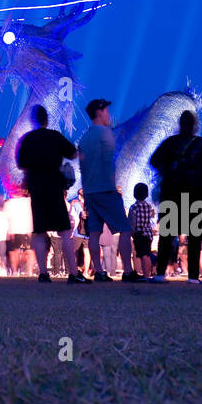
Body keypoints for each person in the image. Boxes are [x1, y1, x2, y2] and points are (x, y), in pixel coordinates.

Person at [149, 108, 202, 284]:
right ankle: (193, 277)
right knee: (195, 235)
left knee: (167, 235)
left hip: (171, 191)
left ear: (179, 124)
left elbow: (154, 161)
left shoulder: (169, 143)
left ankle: (160, 273)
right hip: (197, 192)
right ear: (195, 125)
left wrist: (168, 169)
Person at [16, 104, 86, 284]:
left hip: (36, 187)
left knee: (39, 231)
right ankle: (73, 273)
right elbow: (73, 154)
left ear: (32, 120)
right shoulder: (55, 136)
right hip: (55, 185)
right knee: (64, 231)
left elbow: (21, 164)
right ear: (47, 119)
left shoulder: (27, 139)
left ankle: (43, 273)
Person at [78, 99, 139, 282]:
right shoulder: (106, 134)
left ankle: (99, 272)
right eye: (107, 111)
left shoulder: (85, 137)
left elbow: (82, 164)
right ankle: (128, 271)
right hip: (105, 188)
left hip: (89, 191)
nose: (109, 115)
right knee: (125, 228)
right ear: (100, 112)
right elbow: (110, 161)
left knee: (94, 232)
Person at [128, 183, 156, 279]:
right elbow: (151, 218)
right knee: (147, 254)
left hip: (139, 234)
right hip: (148, 233)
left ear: (134, 194)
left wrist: (131, 232)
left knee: (143, 255)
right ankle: (147, 274)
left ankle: (145, 275)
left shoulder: (134, 207)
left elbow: (132, 221)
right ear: (147, 194)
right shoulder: (149, 206)